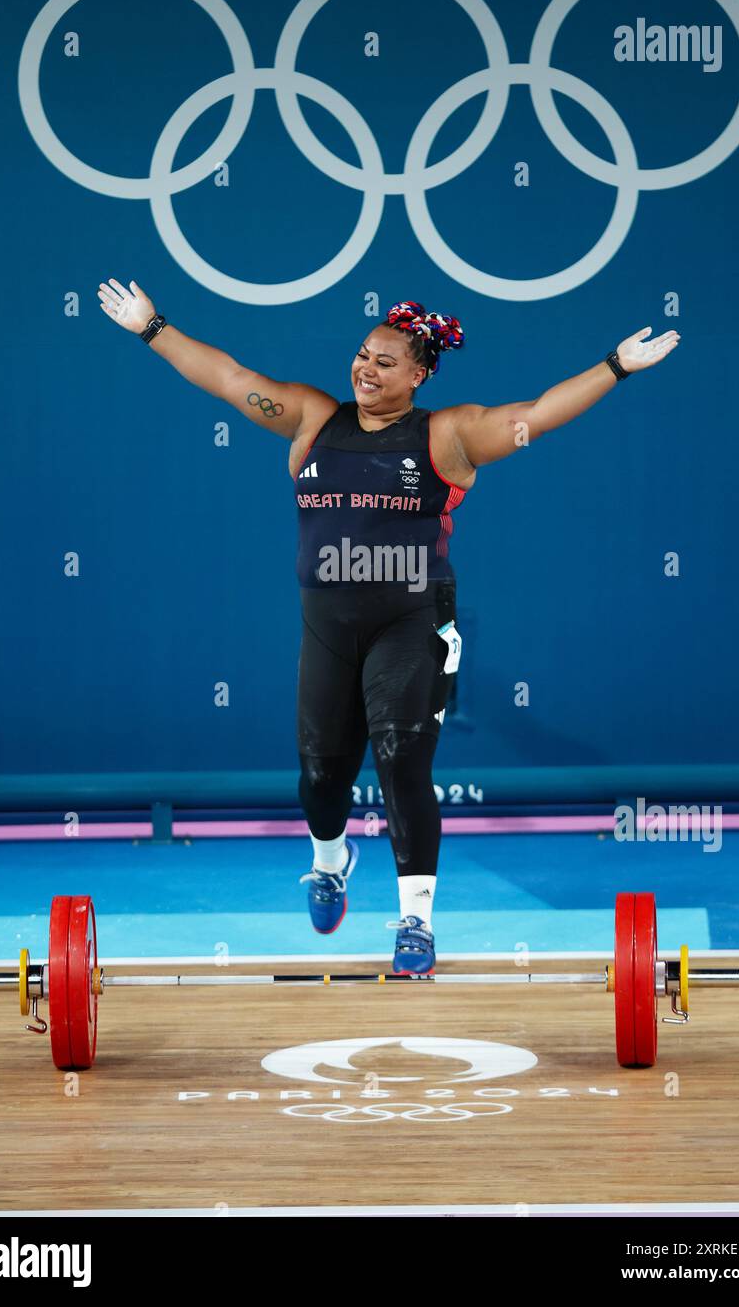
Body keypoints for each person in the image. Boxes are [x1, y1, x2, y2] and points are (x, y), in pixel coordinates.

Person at [97, 278, 679, 974]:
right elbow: (229, 378)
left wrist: (614, 366)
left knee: (403, 759)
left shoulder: (448, 433)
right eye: (363, 355)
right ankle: (330, 859)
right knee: (319, 776)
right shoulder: (313, 416)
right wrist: (151, 326)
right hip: (327, 626)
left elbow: (540, 413)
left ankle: (415, 922)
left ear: (420, 374)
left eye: (385, 362)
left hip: (411, 620)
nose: (366, 369)